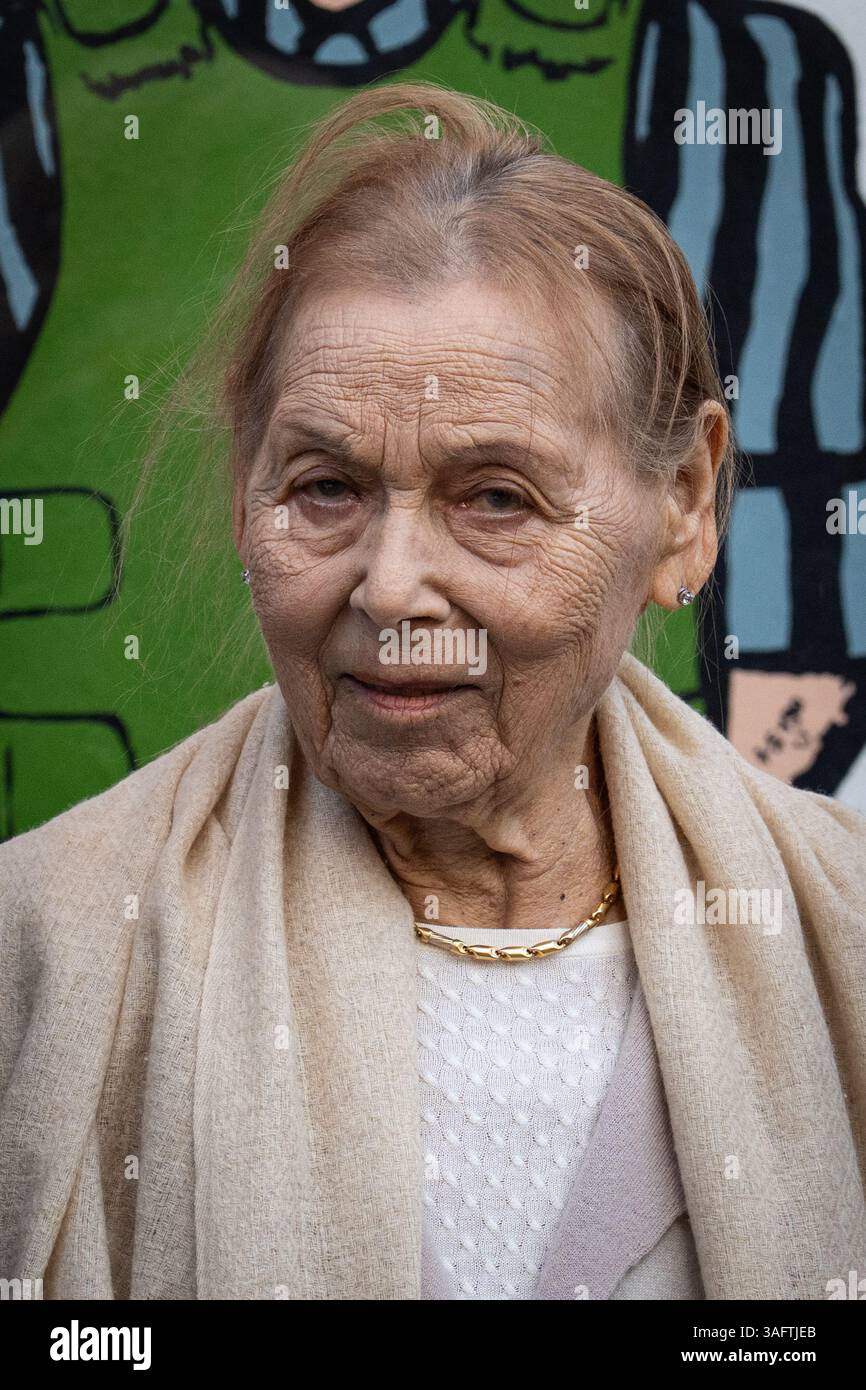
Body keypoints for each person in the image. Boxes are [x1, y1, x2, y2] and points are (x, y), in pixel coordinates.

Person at [1, 82, 864, 1301]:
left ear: (682, 507)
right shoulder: (47, 945)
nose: (390, 587)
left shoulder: (843, 931)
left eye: (495, 497)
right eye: (325, 488)